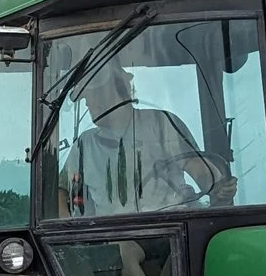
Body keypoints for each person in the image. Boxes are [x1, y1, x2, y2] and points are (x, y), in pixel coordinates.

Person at [57, 61, 218, 218]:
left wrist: (220, 188)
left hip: (170, 229)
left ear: (119, 90)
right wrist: (65, 228)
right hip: (111, 234)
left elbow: (200, 171)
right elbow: (61, 190)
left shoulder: (160, 124)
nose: (88, 104)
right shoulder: (84, 145)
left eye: (94, 95)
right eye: (86, 98)